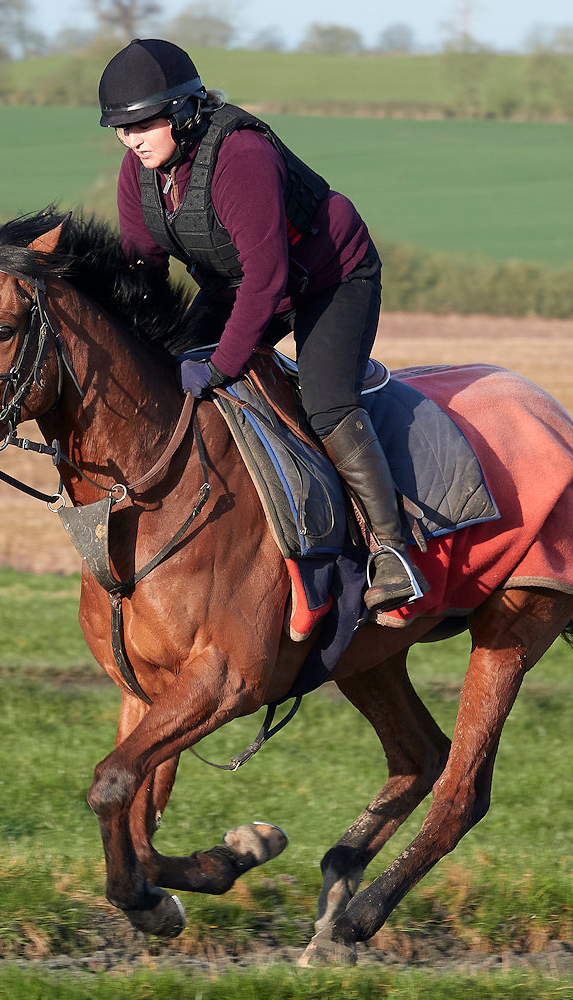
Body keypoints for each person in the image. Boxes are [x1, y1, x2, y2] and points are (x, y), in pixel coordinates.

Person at [98, 37, 425, 614]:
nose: (131, 139)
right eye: (121, 128)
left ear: (181, 111)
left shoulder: (240, 154)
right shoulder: (141, 172)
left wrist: (222, 365)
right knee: (169, 371)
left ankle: (393, 551)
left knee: (325, 400)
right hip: (244, 285)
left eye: (142, 125)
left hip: (331, 278)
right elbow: (142, 273)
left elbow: (268, 279)